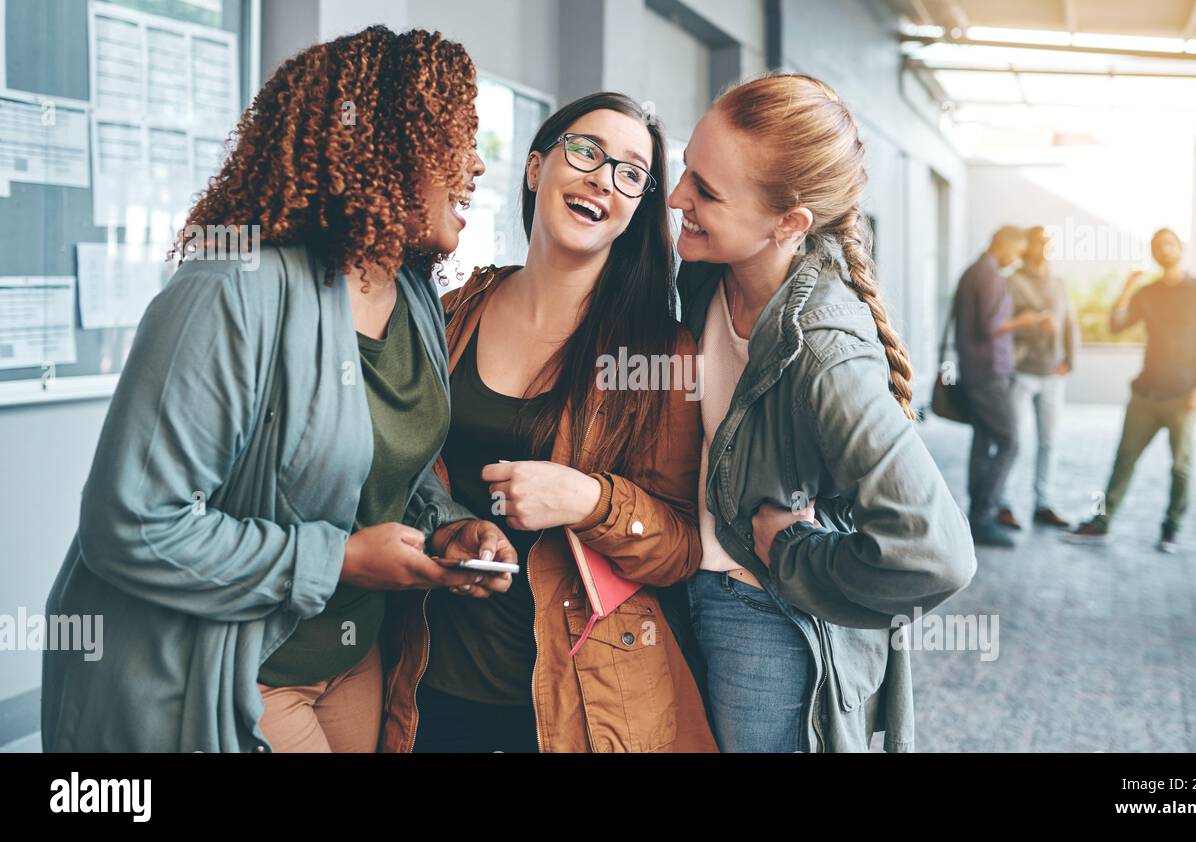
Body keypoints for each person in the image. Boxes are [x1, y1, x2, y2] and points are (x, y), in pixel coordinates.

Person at [42, 26, 514, 753]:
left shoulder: (414, 295)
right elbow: (132, 525)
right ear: (383, 143)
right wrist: (340, 560)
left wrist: (443, 523)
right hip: (239, 666)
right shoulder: (232, 290)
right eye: (452, 139)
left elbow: (386, 468)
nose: (475, 167)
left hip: (351, 654)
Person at [379, 93, 717, 753]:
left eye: (630, 173)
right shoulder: (452, 313)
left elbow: (681, 546)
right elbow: (399, 473)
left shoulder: (660, 355)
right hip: (426, 679)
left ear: (637, 207)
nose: (602, 178)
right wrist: (443, 529)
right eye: (587, 151)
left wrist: (588, 499)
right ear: (536, 168)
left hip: (576, 702)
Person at [670, 72, 976, 752]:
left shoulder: (825, 353)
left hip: (762, 620)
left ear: (790, 223)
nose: (676, 198)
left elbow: (937, 555)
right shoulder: (704, 274)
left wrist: (795, 552)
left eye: (706, 192)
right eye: (686, 169)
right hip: (686, 585)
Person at [1066, 228, 1196, 553]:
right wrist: (1127, 287)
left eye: (1168, 243)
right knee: (1123, 460)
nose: (1163, 249)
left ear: (1179, 248)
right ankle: (1101, 523)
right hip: (1145, 394)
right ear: (1154, 253)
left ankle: (1172, 528)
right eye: (1157, 245)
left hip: (1184, 396)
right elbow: (1116, 325)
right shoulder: (1147, 293)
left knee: (1181, 466)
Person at [953, 226, 1049, 547]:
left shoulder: (973, 271)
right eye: (1018, 250)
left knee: (983, 442)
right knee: (1010, 441)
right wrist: (1027, 321)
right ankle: (984, 517)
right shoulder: (990, 274)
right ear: (1004, 244)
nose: (1018, 257)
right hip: (990, 371)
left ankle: (977, 517)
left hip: (974, 369)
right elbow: (991, 326)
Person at [996, 225, 1079, 530]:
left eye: (1048, 241)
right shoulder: (1010, 282)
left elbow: (1071, 322)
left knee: (1050, 442)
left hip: (1053, 373)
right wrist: (1033, 326)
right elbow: (1001, 325)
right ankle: (1002, 503)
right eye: (1039, 242)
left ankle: (1043, 504)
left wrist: (1070, 359)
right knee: (1012, 440)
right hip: (1020, 371)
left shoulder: (1059, 283)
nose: (1044, 246)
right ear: (1027, 246)